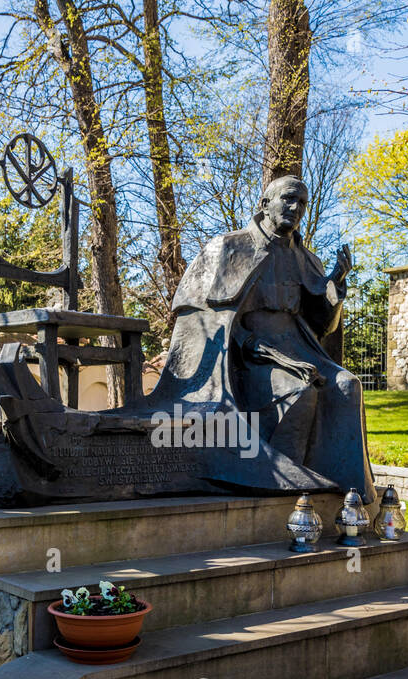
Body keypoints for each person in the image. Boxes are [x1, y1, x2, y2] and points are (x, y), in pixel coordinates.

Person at [150, 175, 376, 501]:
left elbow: (321, 326)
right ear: (265, 204)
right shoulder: (229, 247)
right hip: (245, 354)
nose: (296, 208)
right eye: (288, 199)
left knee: (346, 385)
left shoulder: (307, 259)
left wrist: (334, 284)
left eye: (302, 203)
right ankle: (286, 490)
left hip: (298, 346)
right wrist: (250, 344)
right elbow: (205, 317)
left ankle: (348, 499)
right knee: (300, 391)